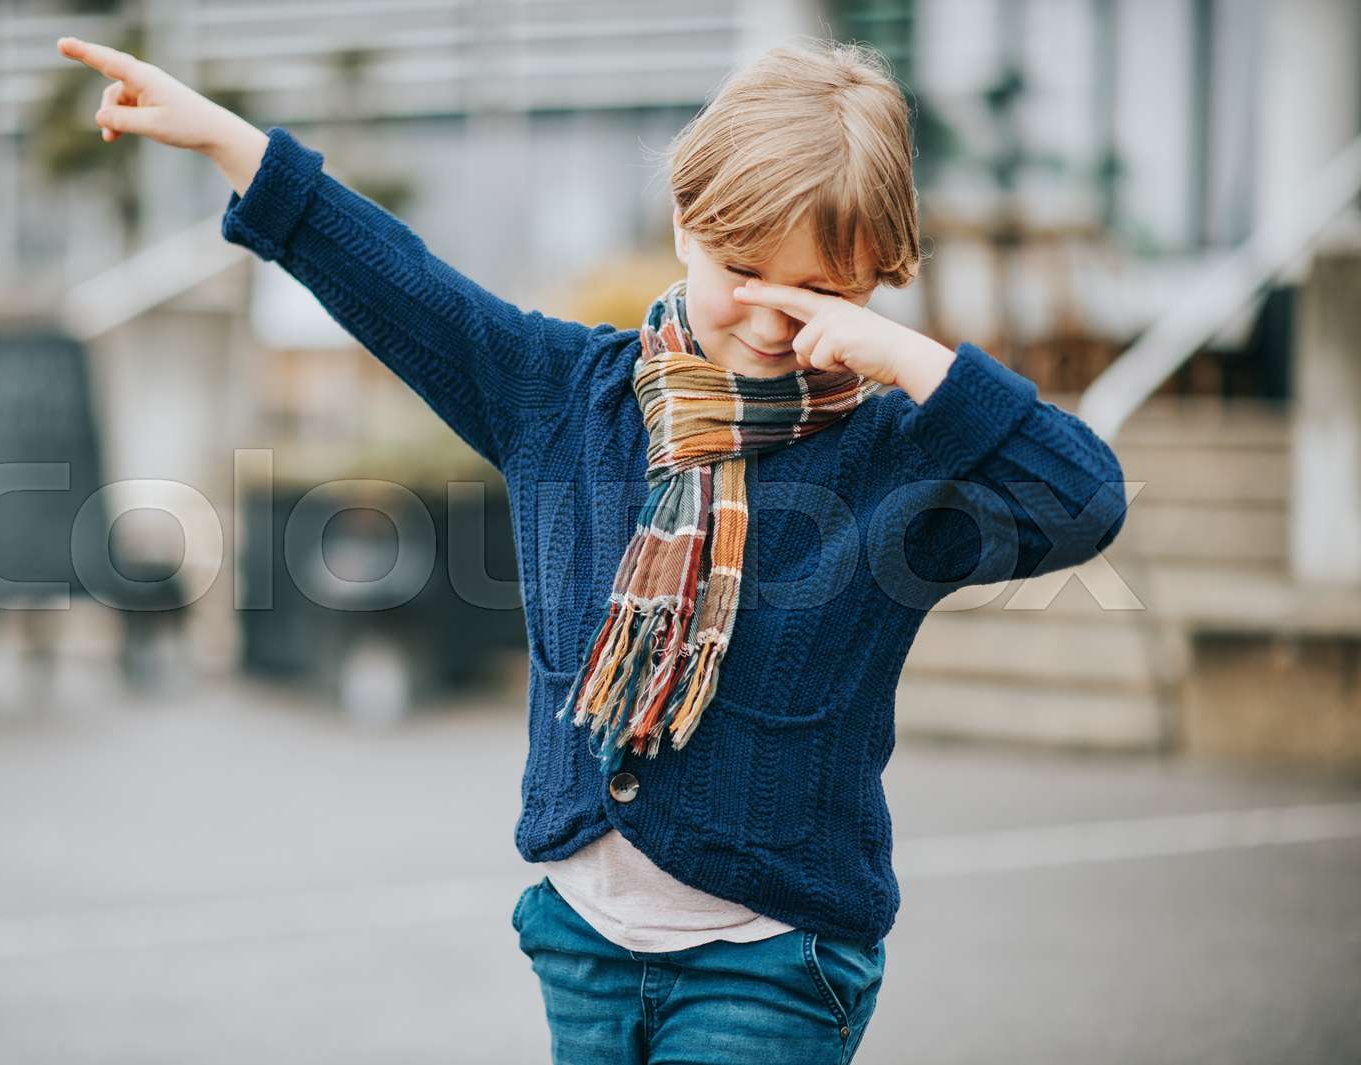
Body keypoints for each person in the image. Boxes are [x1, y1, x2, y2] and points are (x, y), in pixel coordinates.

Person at [56, 34, 1129, 1064]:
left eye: (819, 291)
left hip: (774, 962)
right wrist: (227, 143)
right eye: (741, 269)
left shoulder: (896, 454)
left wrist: (911, 357)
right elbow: (400, 286)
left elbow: (1081, 498)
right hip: (581, 944)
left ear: (874, 279)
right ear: (681, 225)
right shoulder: (561, 394)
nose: (768, 318)